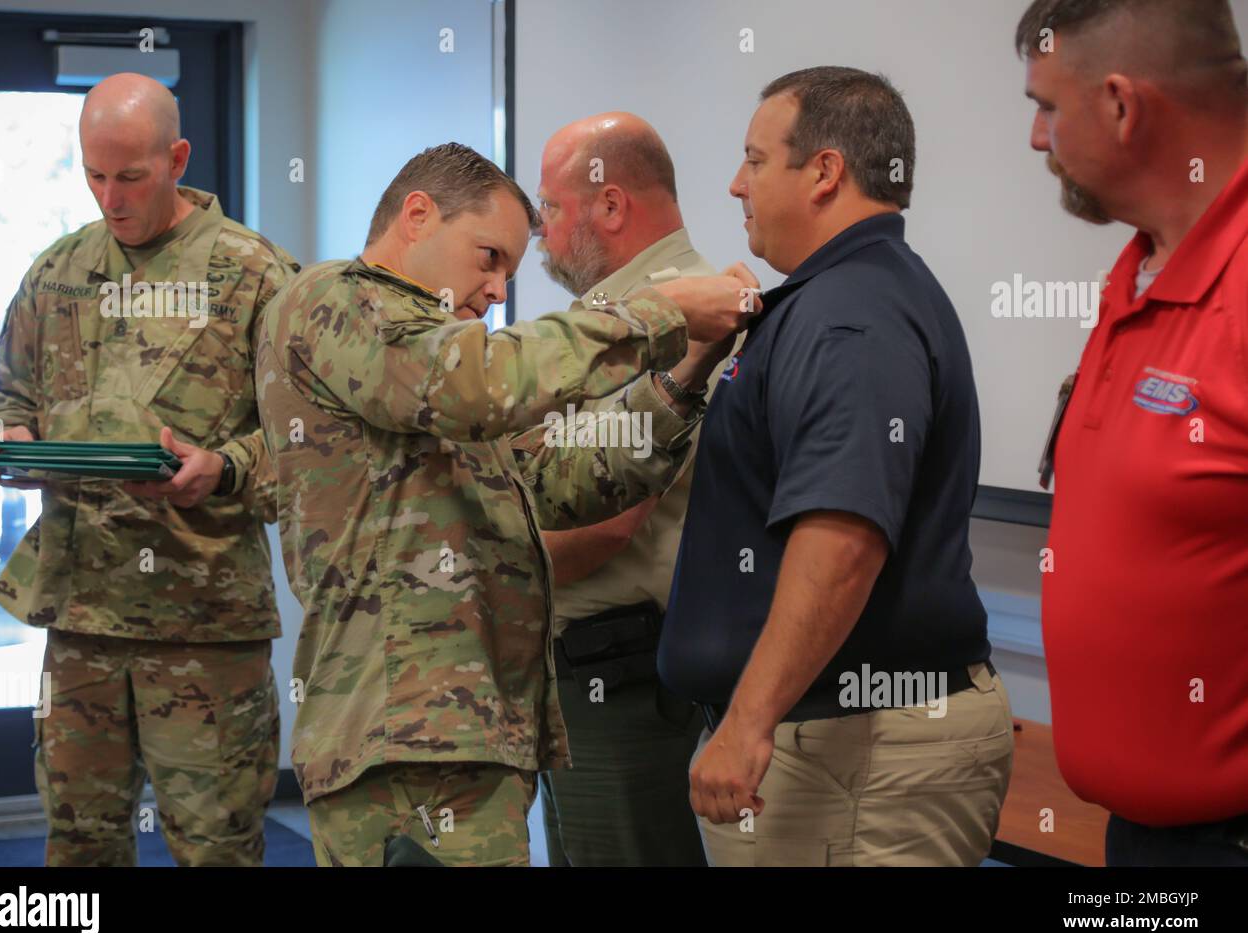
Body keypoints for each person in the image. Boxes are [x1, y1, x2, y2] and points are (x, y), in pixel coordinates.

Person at [255, 142, 754, 866]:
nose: (495, 290)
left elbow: (566, 483)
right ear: (418, 215)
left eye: (509, 273)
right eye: (488, 257)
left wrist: (684, 377)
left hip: (472, 724)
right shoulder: (335, 300)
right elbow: (475, 383)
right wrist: (658, 312)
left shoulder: (445, 366)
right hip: (401, 729)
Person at [659, 67, 1013, 866]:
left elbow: (843, 537)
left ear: (824, 171)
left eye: (754, 160)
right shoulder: (842, 296)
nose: (734, 184)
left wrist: (747, 723)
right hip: (833, 740)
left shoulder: (850, 313)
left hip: (853, 750)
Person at [0, 73, 298, 866]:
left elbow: (310, 442)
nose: (109, 199)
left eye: (130, 176)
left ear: (178, 158)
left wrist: (222, 468)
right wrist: (6, 442)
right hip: (79, 617)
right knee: (78, 846)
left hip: (204, 625)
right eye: (93, 175)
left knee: (215, 846)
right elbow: (3, 396)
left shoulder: (255, 276)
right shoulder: (58, 273)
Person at [1018, 0, 1248, 865]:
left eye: (1047, 105)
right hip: (1142, 841)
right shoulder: (1142, 269)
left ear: (1122, 105)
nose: (1038, 139)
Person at [535, 112, 733, 867]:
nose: (539, 232)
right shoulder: (628, 315)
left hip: (621, 685)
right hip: (594, 675)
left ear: (611, 205)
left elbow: (606, 518)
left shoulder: (668, 318)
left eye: (551, 209)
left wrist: (469, 573)